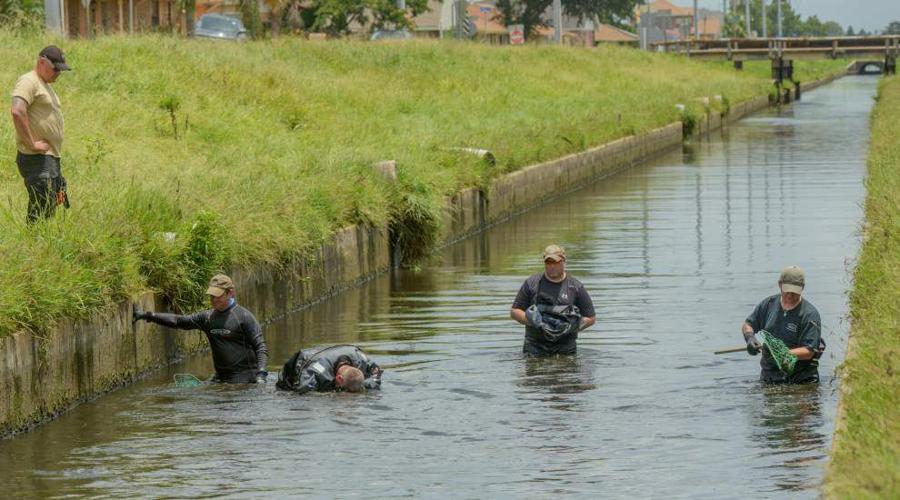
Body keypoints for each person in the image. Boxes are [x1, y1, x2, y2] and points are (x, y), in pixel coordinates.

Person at [133, 274, 269, 384]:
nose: (214, 300)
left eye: (218, 296)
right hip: (220, 379)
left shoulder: (244, 317)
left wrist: (261, 374)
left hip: (245, 379)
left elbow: (260, 347)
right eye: (212, 296)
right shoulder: (207, 318)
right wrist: (147, 315)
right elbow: (179, 321)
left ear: (230, 293)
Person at [10, 45, 71, 224]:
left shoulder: (44, 85)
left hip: (49, 158)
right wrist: (31, 144)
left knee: (51, 203)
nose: (58, 73)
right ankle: (31, 245)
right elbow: (17, 110)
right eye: (55, 69)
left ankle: (41, 246)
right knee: (41, 204)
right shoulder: (29, 81)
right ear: (41, 62)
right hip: (36, 157)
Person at [742, 266, 825, 384]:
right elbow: (748, 324)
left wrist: (780, 353)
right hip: (770, 377)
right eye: (787, 290)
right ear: (780, 285)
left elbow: (809, 351)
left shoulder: (810, 314)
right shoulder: (768, 305)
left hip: (801, 379)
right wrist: (750, 338)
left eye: (795, 291)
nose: (790, 295)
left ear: (802, 288)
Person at [510, 244, 596, 356]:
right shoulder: (531, 283)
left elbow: (591, 318)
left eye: (555, 262)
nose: (552, 266)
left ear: (563, 261)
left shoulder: (575, 287)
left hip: (565, 349)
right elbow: (515, 311)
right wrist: (536, 322)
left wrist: (573, 326)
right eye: (548, 263)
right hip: (535, 347)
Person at [276, 345, 382, 394]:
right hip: (293, 374)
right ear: (339, 379)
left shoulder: (360, 358)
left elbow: (376, 371)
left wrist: (371, 384)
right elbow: (302, 393)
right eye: (344, 390)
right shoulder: (313, 372)